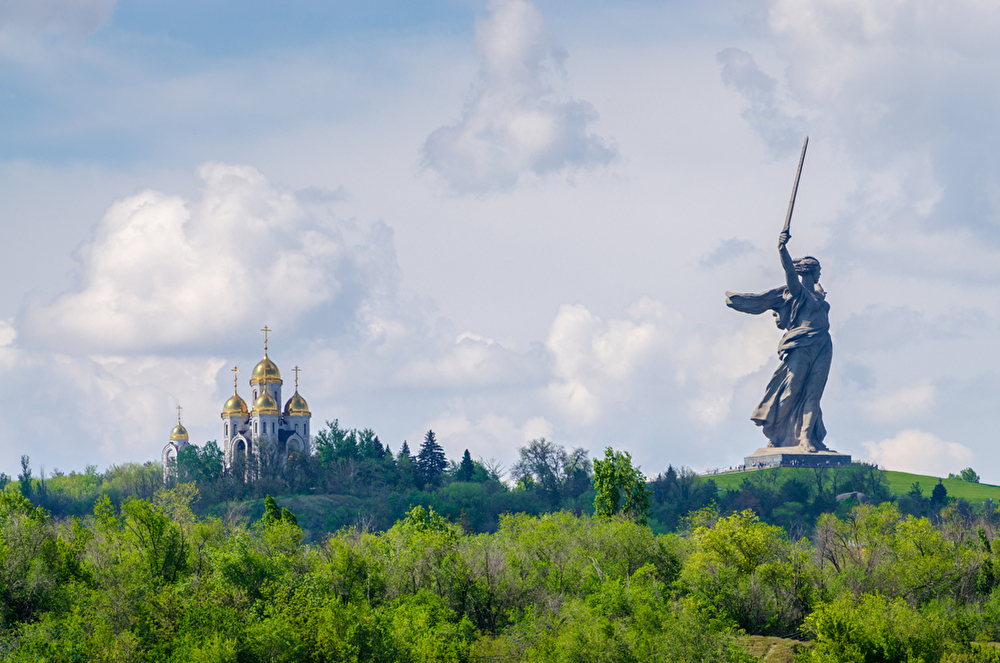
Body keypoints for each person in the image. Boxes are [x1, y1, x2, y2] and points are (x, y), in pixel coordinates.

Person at [726, 230, 831, 451]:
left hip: (823, 345)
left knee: (814, 394)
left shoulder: (819, 295)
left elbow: (819, 291)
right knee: (791, 390)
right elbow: (789, 272)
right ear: (811, 272)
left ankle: (805, 439)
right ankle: (776, 431)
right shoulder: (799, 292)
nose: (821, 274)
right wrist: (782, 249)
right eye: (819, 270)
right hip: (801, 346)